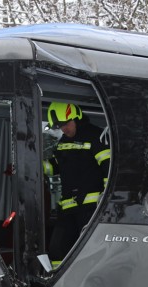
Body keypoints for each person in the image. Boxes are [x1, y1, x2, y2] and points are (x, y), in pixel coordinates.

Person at [44, 102, 110, 267]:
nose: (64, 129)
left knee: (88, 252)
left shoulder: (97, 136)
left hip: (92, 208)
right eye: (60, 126)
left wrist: (107, 200)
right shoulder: (64, 141)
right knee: (57, 250)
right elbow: (59, 165)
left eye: (66, 123)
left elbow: (109, 168)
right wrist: (36, 165)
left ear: (77, 118)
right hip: (68, 207)